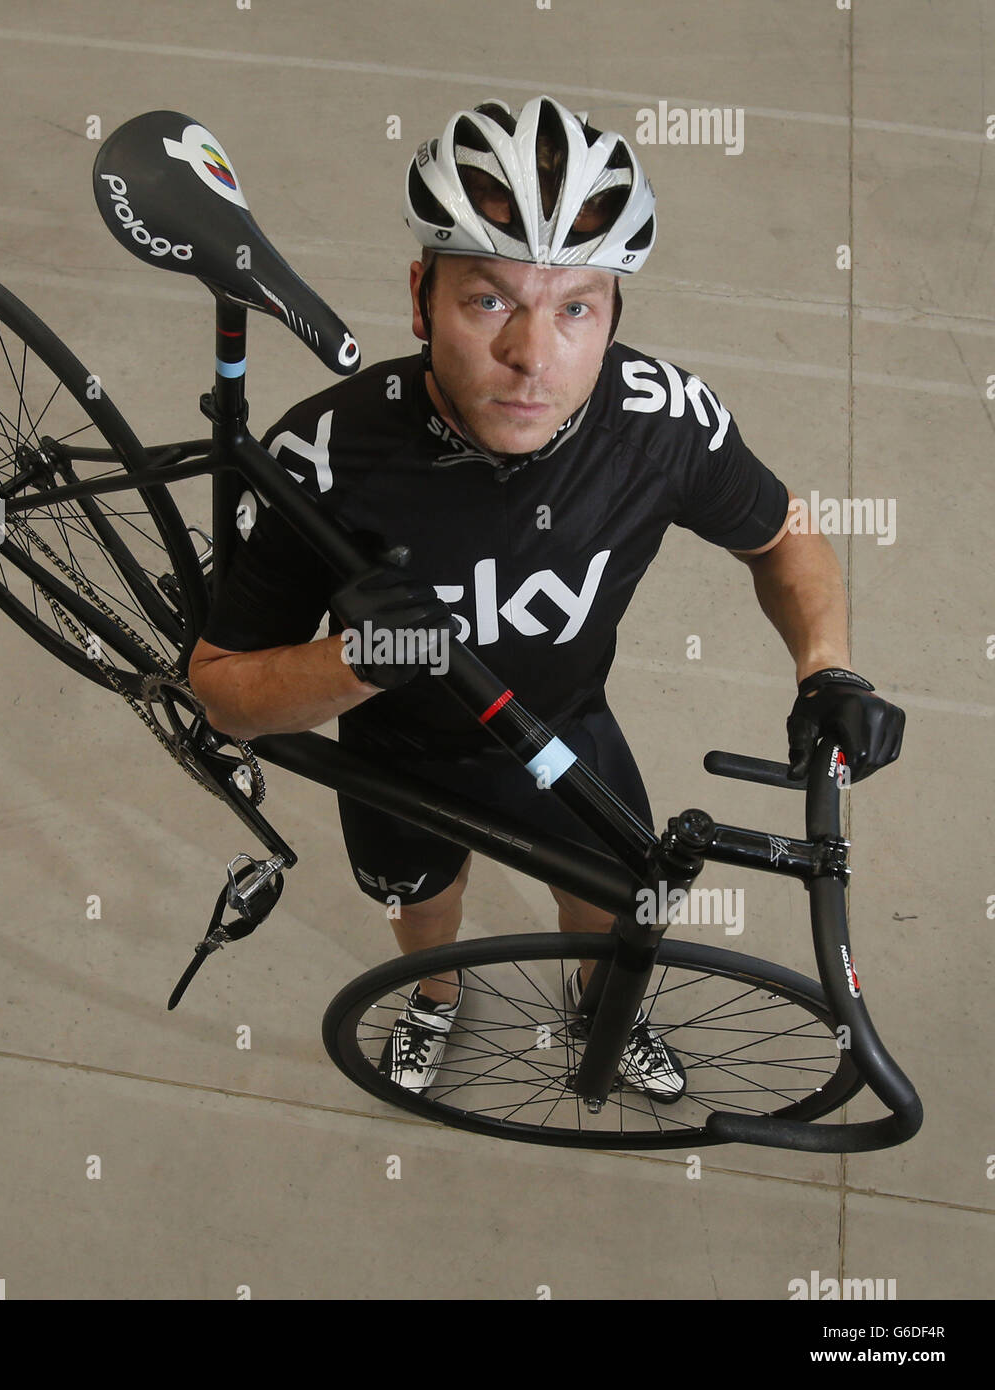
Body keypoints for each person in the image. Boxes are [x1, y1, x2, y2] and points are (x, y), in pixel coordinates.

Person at [187, 96, 905, 1100]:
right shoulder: (326, 452)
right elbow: (217, 691)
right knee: (423, 905)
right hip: (399, 756)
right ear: (419, 295)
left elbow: (783, 535)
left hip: (564, 729)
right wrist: (349, 662)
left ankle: (602, 1002)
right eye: (489, 301)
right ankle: (434, 996)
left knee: (614, 904)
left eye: (576, 308)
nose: (533, 356)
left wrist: (827, 663)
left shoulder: (662, 425)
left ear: (614, 314)